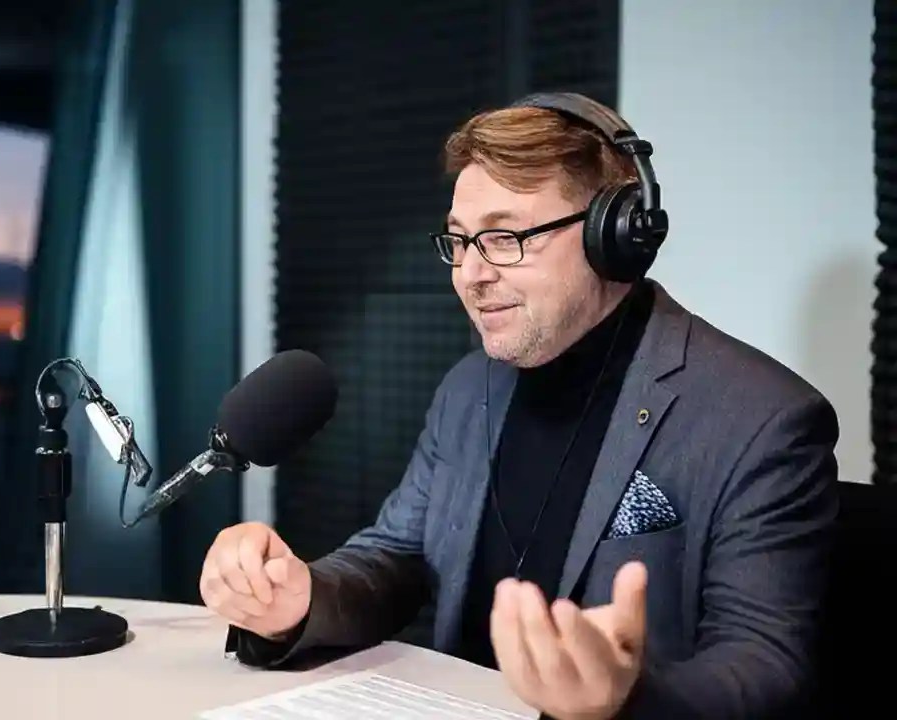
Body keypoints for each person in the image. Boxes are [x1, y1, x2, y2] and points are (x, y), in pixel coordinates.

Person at [198, 92, 839, 720]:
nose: (472, 274)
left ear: (609, 235)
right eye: (459, 241)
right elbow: (399, 555)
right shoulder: (468, 387)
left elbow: (766, 665)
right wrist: (300, 597)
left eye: (504, 238)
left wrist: (623, 700)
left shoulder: (763, 419)